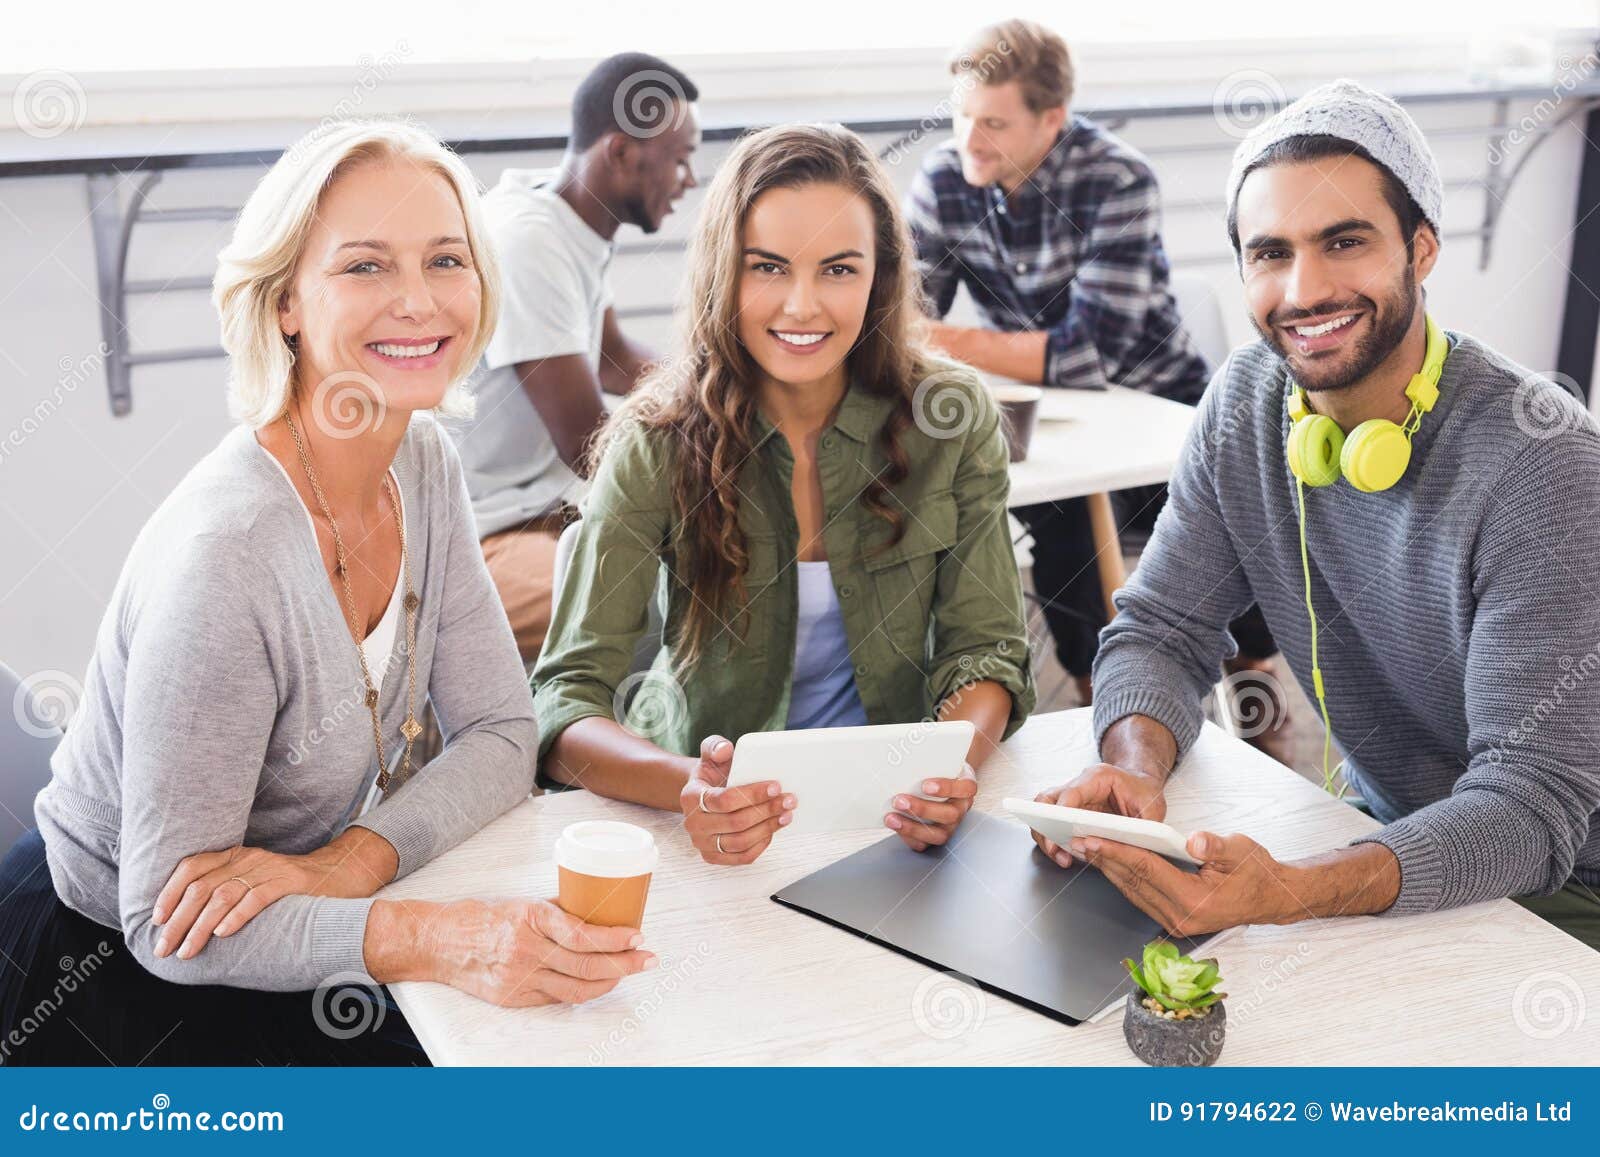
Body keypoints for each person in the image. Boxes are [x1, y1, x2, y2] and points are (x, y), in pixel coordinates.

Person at [0, 121, 657, 1066]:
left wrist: (352, 860)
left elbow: (506, 734)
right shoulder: (227, 558)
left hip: (302, 923)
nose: (420, 300)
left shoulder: (421, 460)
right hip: (103, 981)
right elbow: (166, 921)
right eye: (364, 266)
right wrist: (434, 936)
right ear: (286, 305)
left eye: (446, 258)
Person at [1029, 80, 1600, 950]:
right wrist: (1131, 768)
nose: (1305, 289)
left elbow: (1532, 804)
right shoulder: (1249, 402)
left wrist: (1296, 891)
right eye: (1270, 253)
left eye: (1344, 241)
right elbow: (1161, 629)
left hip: (1567, 880)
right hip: (1389, 826)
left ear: (1422, 247)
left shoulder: (1545, 464)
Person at [532, 123, 1035, 864]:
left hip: (894, 824)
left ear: (880, 277)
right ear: (723, 273)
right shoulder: (656, 437)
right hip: (700, 821)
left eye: (838, 270)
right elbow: (566, 698)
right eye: (767, 267)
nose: (802, 306)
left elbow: (988, 650)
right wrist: (687, 789)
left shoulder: (949, 419)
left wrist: (951, 768)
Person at [905, 19, 1278, 714]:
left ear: (1053, 119)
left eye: (992, 122)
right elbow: (899, 320)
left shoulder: (1117, 177)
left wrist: (943, 338)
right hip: (1058, 420)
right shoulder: (945, 180)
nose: (969, 140)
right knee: (1063, 527)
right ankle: (1102, 710)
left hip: (1159, 408)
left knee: (1231, 533)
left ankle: (1259, 697)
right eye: (960, 117)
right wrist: (934, 336)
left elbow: (1086, 353)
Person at [450, 52, 701, 664]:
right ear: (620, 153)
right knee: (653, 604)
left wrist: (722, 388)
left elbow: (613, 356)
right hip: (478, 535)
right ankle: (623, 757)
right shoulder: (529, 242)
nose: (689, 178)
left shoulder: (569, 224)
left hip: (539, 507)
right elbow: (588, 441)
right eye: (679, 157)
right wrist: (719, 454)